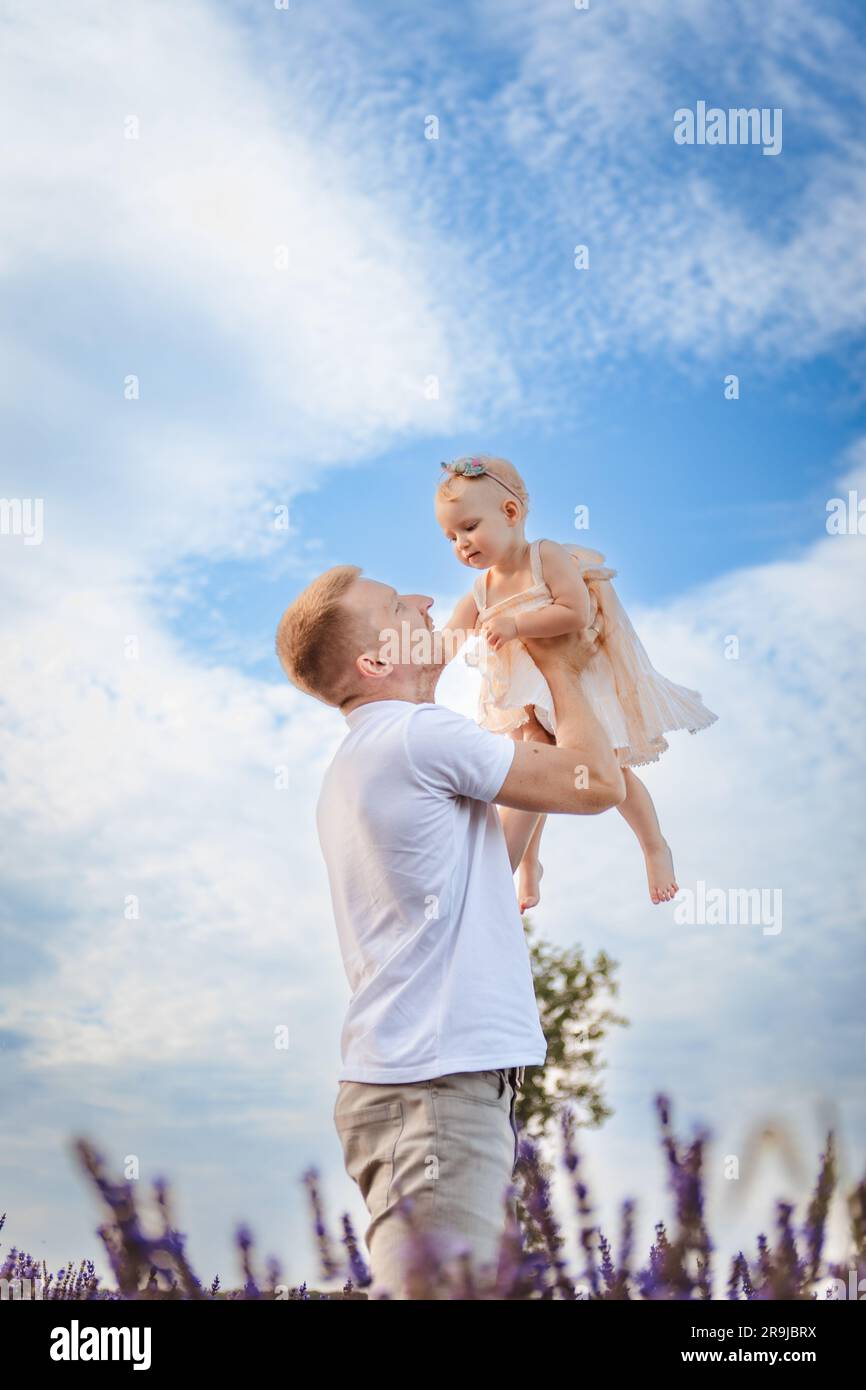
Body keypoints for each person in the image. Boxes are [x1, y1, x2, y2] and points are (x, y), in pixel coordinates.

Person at [274, 563, 625, 1298]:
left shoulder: (373, 753)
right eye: (400, 604)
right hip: (432, 1091)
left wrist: (530, 734)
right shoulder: (415, 735)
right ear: (376, 662)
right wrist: (560, 664)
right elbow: (596, 784)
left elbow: (481, 866)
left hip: (427, 1087)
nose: (430, 601)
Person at [435, 454, 718, 911]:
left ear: (510, 513)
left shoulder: (544, 555)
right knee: (534, 770)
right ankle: (528, 865)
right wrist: (405, 651)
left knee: (609, 767)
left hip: (573, 687)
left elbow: (576, 611)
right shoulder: (481, 589)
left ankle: (653, 846)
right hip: (525, 698)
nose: (461, 543)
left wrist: (516, 626)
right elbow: (448, 638)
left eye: (468, 527)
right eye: (450, 536)